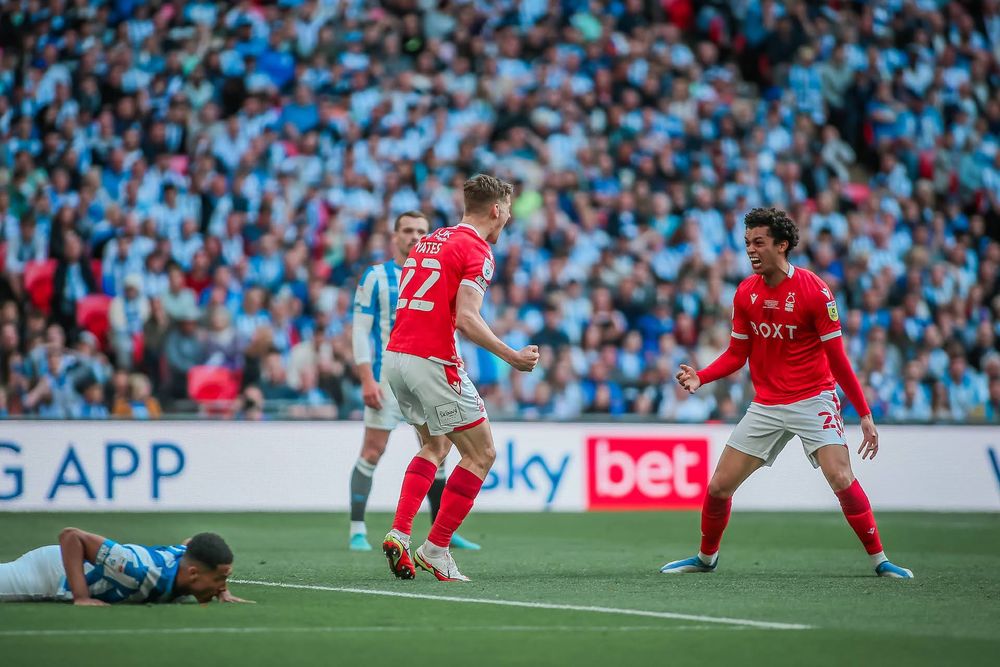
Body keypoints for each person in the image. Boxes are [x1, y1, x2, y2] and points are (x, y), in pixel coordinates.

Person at [661, 208, 913, 578]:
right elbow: (737, 354)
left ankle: (880, 560)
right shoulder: (745, 292)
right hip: (766, 404)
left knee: (840, 476)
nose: (751, 249)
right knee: (718, 486)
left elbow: (838, 360)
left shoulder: (815, 291)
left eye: (759, 242)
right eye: (747, 242)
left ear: (782, 245)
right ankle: (705, 557)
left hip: (813, 398)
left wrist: (864, 414)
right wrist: (702, 376)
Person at [382, 174, 539, 582]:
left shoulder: (430, 239)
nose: (508, 219)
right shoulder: (477, 249)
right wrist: (512, 356)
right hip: (432, 360)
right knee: (482, 453)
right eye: (508, 211)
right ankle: (436, 548)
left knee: (435, 445)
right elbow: (467, 319)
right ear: (496, 210)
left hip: (397, 357)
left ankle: (400, 532)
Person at [349, 210, 479, 552]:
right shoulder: (376, 277)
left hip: (429, 375)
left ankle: (439, 530)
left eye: (421, 231)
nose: (415, 237)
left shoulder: (438, 271)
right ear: (395, 236)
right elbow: (360, 332)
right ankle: (357, 529)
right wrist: (366, 378)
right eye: (407, 230)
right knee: (374, 450)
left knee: (440, 449)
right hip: (386, 378)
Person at [0, 527, 252, 604]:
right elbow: (71, 536)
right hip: (50, 573)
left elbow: (191, 543)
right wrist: (82, 597)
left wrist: (220, 587)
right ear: (194, 573)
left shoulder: (186, 562)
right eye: (220, 579)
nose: (222, 586)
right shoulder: (138, 571)